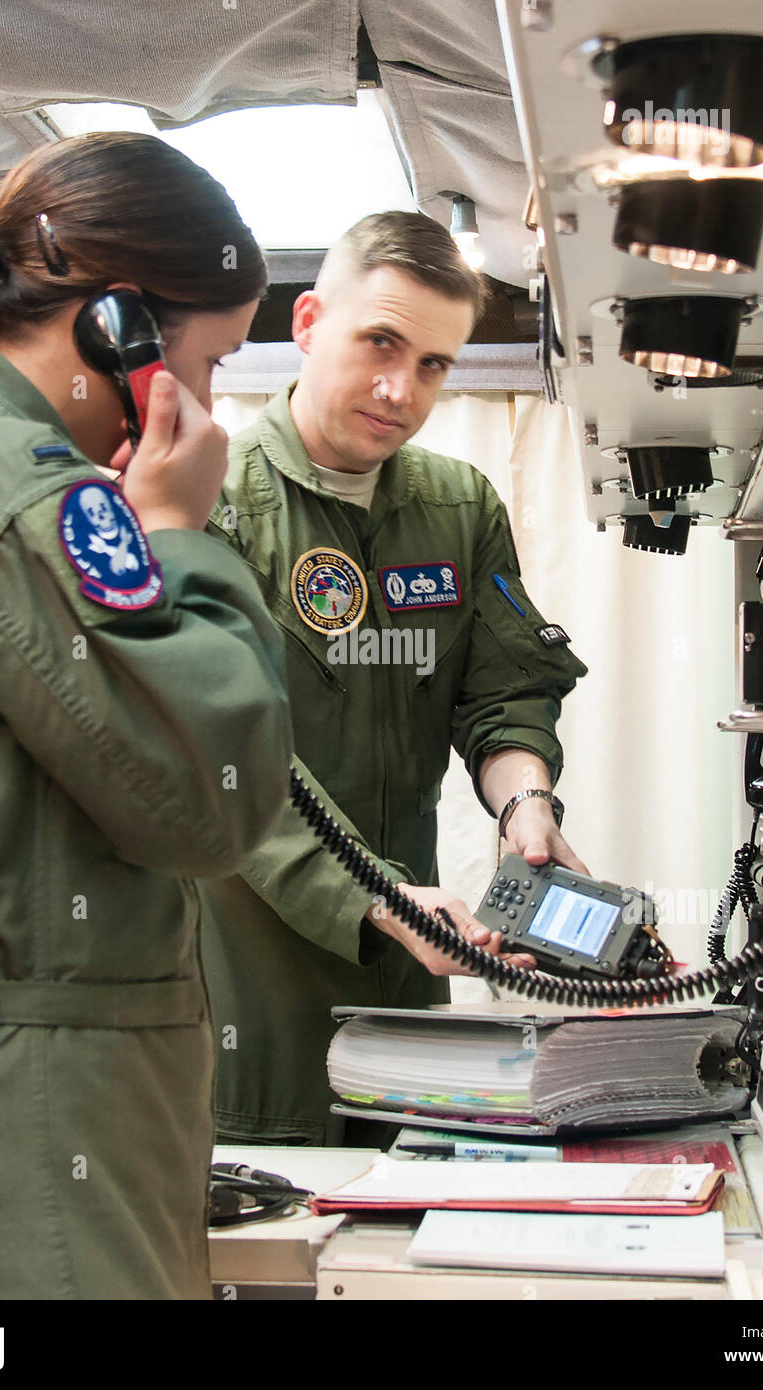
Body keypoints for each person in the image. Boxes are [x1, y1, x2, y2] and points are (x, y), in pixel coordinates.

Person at [0, 132, 294, 1299]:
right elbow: (215, 802)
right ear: (123, 330)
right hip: (45, 1143)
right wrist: (187, 539)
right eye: (208, 363)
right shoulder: (30, 502)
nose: (207, 406)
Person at [200, 212, 589, 1145]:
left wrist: (524, 807)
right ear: (306, 323)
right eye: (381, 342)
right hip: (245, 991)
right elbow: (217, 767)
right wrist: (376, 900)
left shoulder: (458, 509)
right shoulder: (211, 505)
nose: (399, 389)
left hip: (414, 990)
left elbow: (504, 694)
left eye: (433, 364)